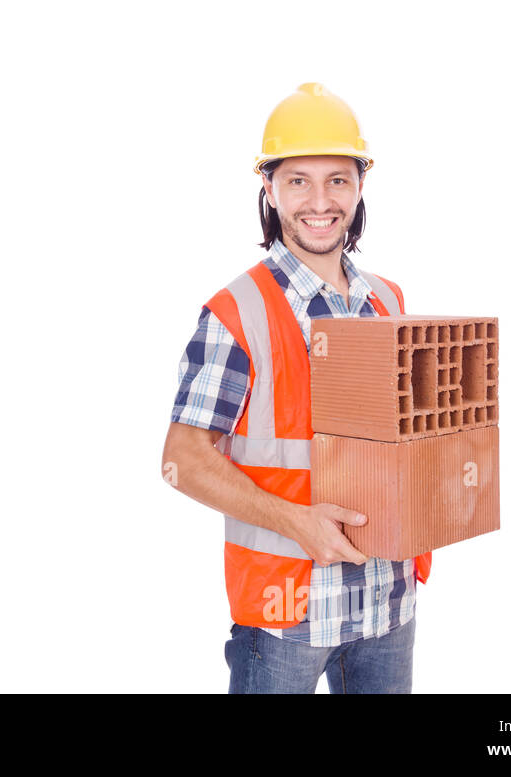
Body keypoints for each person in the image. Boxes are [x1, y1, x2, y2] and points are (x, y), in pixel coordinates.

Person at [160, 83, 430, 694]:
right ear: (270, 189)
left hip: (389, 602)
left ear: (361, 185)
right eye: (298, 180)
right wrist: (298, 522)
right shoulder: (238, 311)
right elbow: (180, 460)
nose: (320, 201)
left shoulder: (388, 301)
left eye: (338, 179)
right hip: (288, 613)